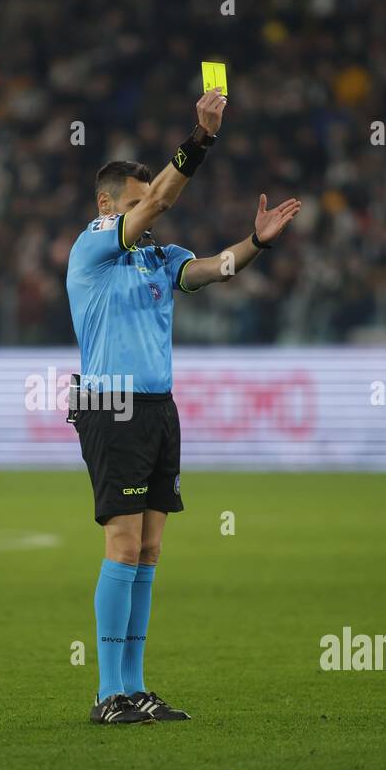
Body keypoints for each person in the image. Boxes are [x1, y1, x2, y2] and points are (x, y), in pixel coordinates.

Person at [65, 88, 301, 723]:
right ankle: (107, 694)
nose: (154, 210)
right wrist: (201, 138)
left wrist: (256, 242)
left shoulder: (160, 258)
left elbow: (214, 269)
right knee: (120, 544)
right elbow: (167, 194)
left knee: (147, 551)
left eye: (151, 201)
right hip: (111, 404)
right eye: (139, 202)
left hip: (159, 408)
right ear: (107, 205)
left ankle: (134, 686)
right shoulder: (92, 246)